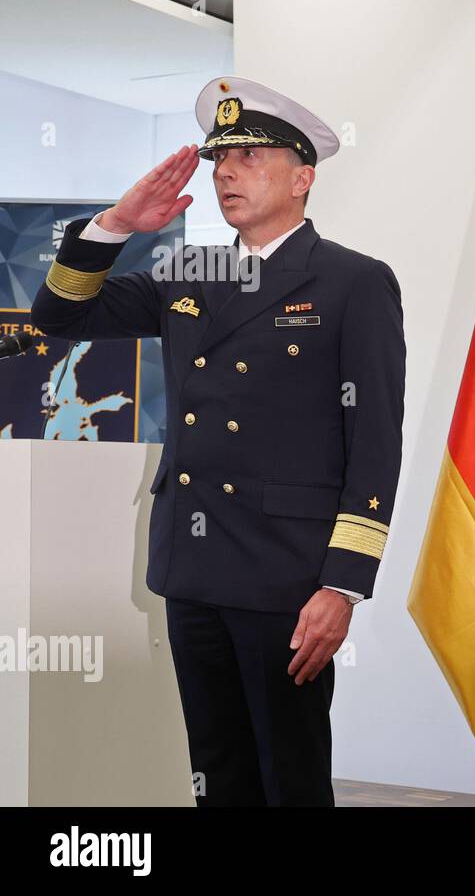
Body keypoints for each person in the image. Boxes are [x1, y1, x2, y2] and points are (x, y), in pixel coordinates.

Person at [32, 77, 405, 806]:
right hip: (195, 566)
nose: (225, 172)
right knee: (216, 773)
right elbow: (59, 317)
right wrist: (116, 223)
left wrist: (343, 583)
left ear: (303, 178)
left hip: (287, 577)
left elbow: (376, 440)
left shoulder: (352, 282)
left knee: (288, 778)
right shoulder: (192, 271)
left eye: (249, 157)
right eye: (218, 159)